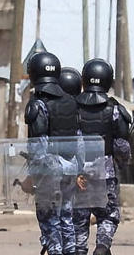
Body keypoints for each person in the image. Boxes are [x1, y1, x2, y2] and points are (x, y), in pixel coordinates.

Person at [74, 59, 131, 255]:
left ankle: (79, 250)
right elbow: (121, 146)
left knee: (78, 219)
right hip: (104, 175)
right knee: (108, 216)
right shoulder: (114, 110)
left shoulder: (72, 109)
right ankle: (102, 246)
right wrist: (123, 162)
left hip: (76, 176)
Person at [25, 52, 80, 255]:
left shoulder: (38, 104)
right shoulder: (71, 102)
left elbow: (39, 146)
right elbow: (80, 139)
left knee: (49, 217)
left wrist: (35, 173)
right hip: (71, 167)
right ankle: (71, 251)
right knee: (66, 216)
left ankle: (55, 251)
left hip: (50, 169)